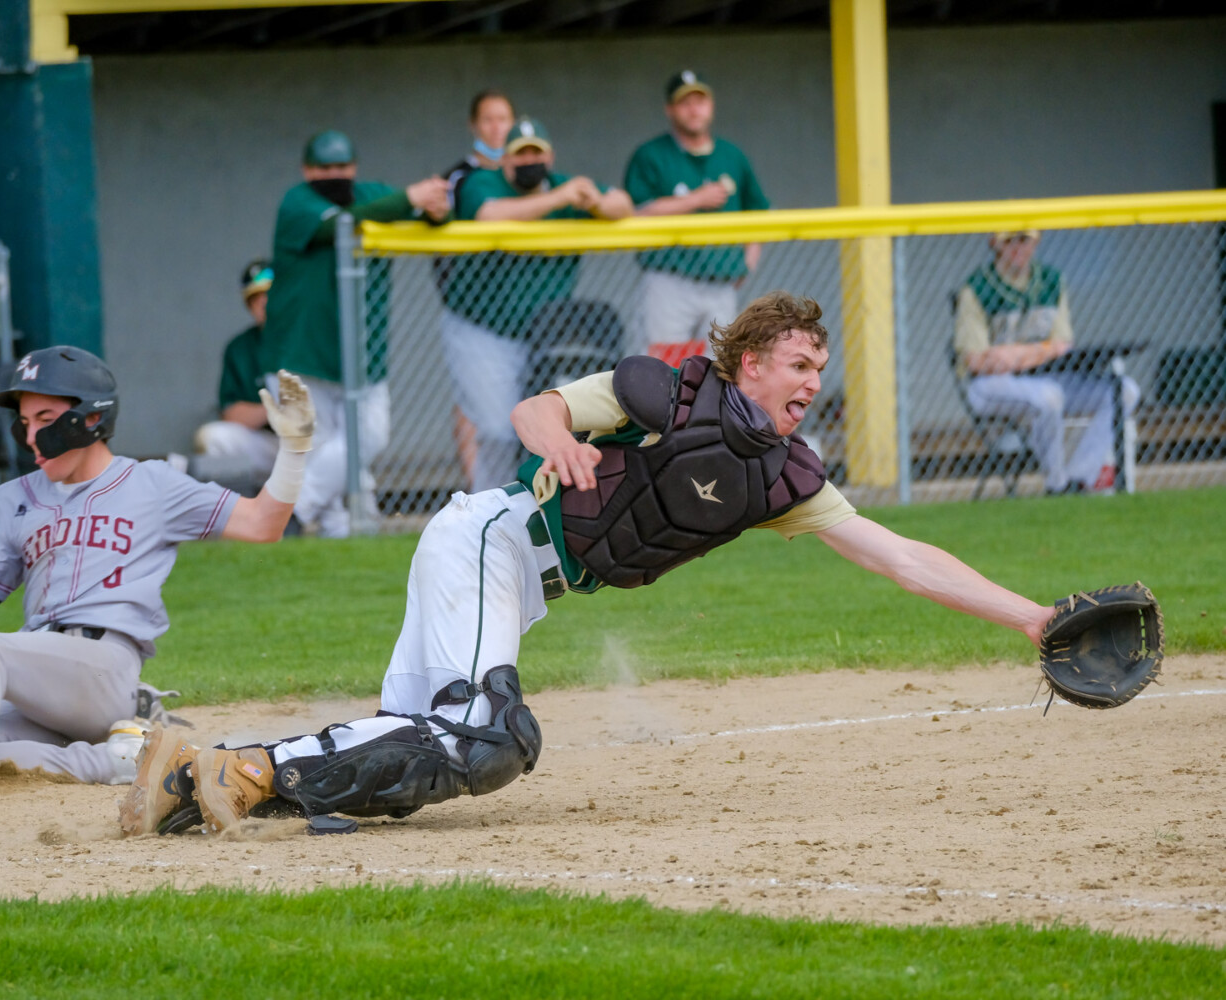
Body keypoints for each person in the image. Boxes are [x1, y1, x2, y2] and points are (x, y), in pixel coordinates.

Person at [119, 291, 1063, 839]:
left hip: (522, 584)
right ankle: (242, 769)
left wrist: (1031, 619)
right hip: (489, 539)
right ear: (748, 362)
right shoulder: (667, 391)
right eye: (798, 364)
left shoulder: (784, 476)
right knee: (488, 742)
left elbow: (902, 557)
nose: (814, 384)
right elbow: (536, 413)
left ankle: (192, 786)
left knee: (419, 755)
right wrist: (556, 446)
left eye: (820, 369)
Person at [0, 345, 317, 798]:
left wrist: (293, 450)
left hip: (106, 667)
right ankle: (116, 760)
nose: (32, 435)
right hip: (43, 678)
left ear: (89, 419)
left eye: (46, 418)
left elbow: (263, 524)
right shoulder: (10, 502)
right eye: (25, 422)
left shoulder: (152, 484)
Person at [260, 129, 450, 537]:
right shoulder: (297, 202)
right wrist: (410, 199)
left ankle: (293, 513)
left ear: (355, 167)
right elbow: (339, 228)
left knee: (370, 437)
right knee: (314, 450)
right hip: (299, 355)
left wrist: (434, 206)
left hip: (363, 355)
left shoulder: (374, 194)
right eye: (324, 167)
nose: (335, 174)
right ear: (306, 170)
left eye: (342, 166)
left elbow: (426, 214)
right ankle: (335, 533)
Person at [439, 115, 633, 492]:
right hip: (481, 328)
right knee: (497, 429)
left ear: (550, 156)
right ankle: (485, 502)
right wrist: (562, 197)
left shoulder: (567, 187)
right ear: (505, 160)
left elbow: (623, 204)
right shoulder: (484, 182)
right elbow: (487, 215)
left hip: (541, 333)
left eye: (536, 154)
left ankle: (526, 506)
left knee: (544, 426)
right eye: (519, 155)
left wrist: (595, 201)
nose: (528, 161)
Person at [953, 229, 1140, 494]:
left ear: (1037, 242)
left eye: (1025, 240)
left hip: (1047, 376)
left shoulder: (1052, 280)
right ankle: (1057, 485)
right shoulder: (976, 288)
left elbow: (1063, 345)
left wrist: (1012, 355)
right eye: (1010, 241)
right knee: (1048, 397)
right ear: (994, 243)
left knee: (1126, 391)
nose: (1018, 247)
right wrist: (1042, 350)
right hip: (990, 385)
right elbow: (977, 360)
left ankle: (1080, 479)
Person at [624, 69, 770, 365]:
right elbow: (636, 213)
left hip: (721, 280)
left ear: (711, 106)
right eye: (685, 103)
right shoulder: (651, 154)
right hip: (670, 278)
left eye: (700, 101)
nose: (694, 109)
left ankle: (707, 415)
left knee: (720, 368)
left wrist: (749, 261)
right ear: (670, 109)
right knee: (664, 367)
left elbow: (759, 212)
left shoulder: (732, 155)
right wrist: (695, 200)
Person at [439, 89, 518, 486]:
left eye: (503, 119)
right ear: (474, 125)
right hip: (472, 310)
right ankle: (476, 486)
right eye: (488, 119)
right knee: (472, 405)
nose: (496, 127)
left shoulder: (520, 173)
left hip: (517, 309)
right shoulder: (459, 177)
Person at [191, 259, 277, 496]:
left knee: (336, 453)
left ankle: (354, 514)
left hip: (311, 448)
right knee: (213, 439)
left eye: (269, 294)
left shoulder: (305, 339)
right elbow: (231, 413)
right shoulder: (240, 348)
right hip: (271, 446)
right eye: (255, 297)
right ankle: (237, 510)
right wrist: (274, 408)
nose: (263, 302)